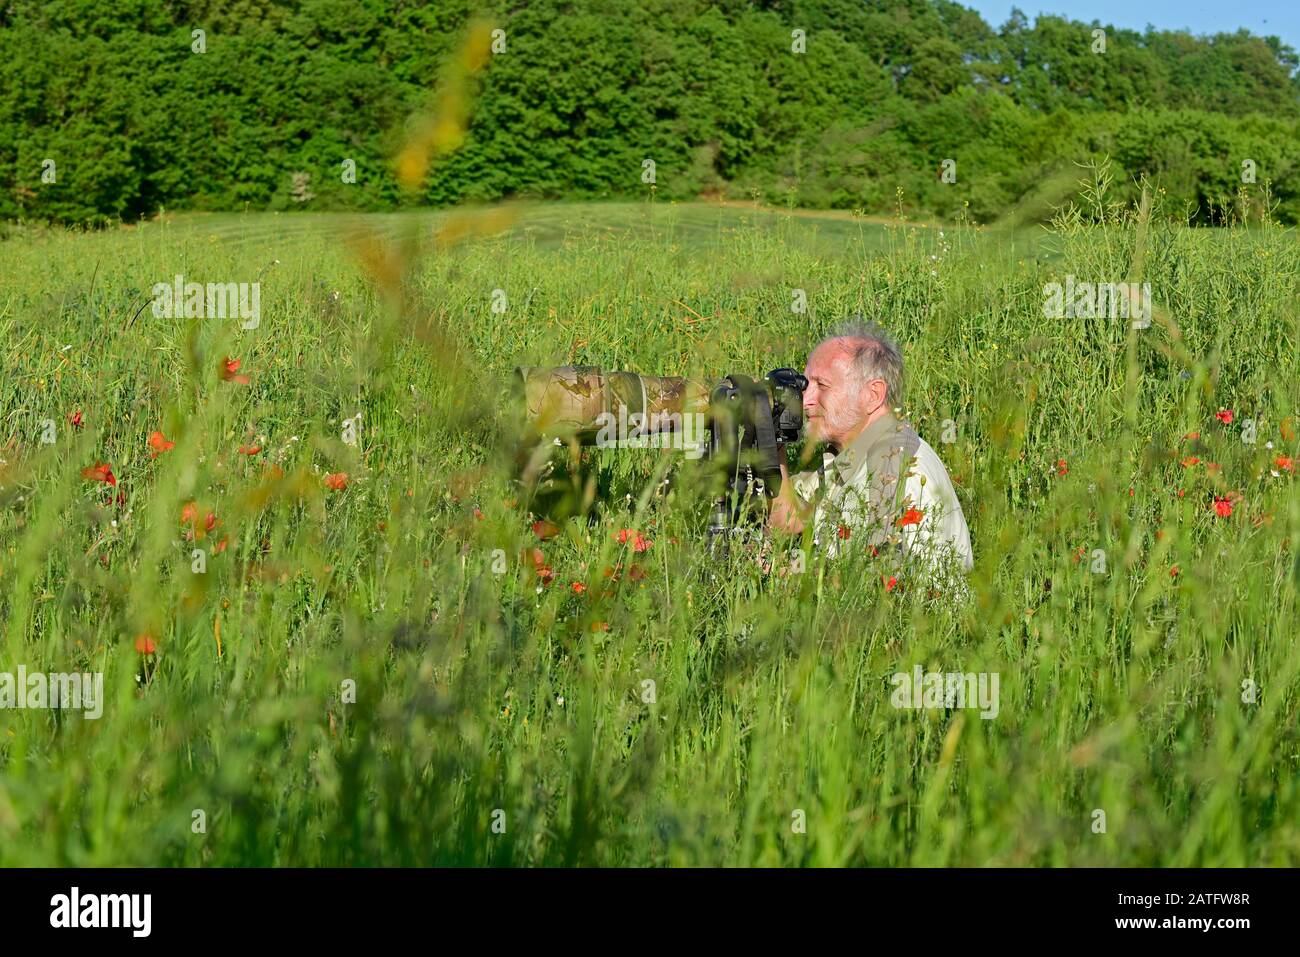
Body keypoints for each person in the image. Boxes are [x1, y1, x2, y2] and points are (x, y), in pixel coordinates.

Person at [768, 320, 972, 586]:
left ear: (873, 395)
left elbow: (880, 590)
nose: (806, 400)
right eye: (806, 386)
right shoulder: (853, 452)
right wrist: (773, 444)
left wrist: (782, 575)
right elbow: (791, 519)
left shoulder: (895, 471)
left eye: (823, 386)